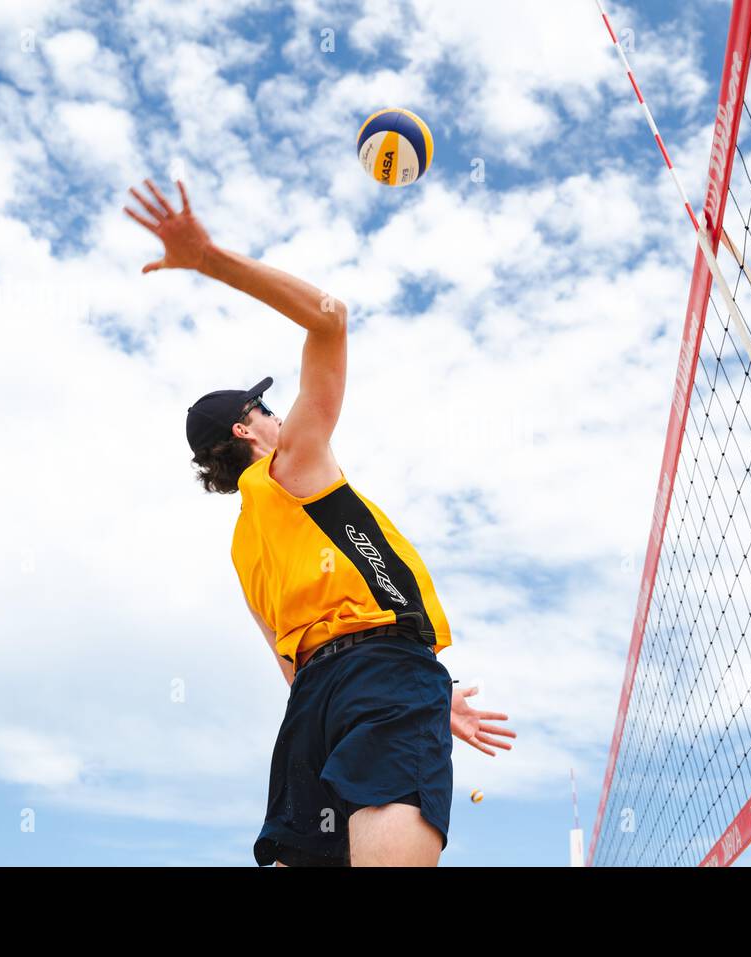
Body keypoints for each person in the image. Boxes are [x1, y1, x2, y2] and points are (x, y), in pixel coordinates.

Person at [125, 179, 515, 866]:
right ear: (250, 428)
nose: (280, 416)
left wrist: (420, 697)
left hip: (311, 711)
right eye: (266, 411)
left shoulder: (247, 543)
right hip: (385, 676)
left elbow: (291, 661)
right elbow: (330, 319)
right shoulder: (293, 462)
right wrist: (211, 259)